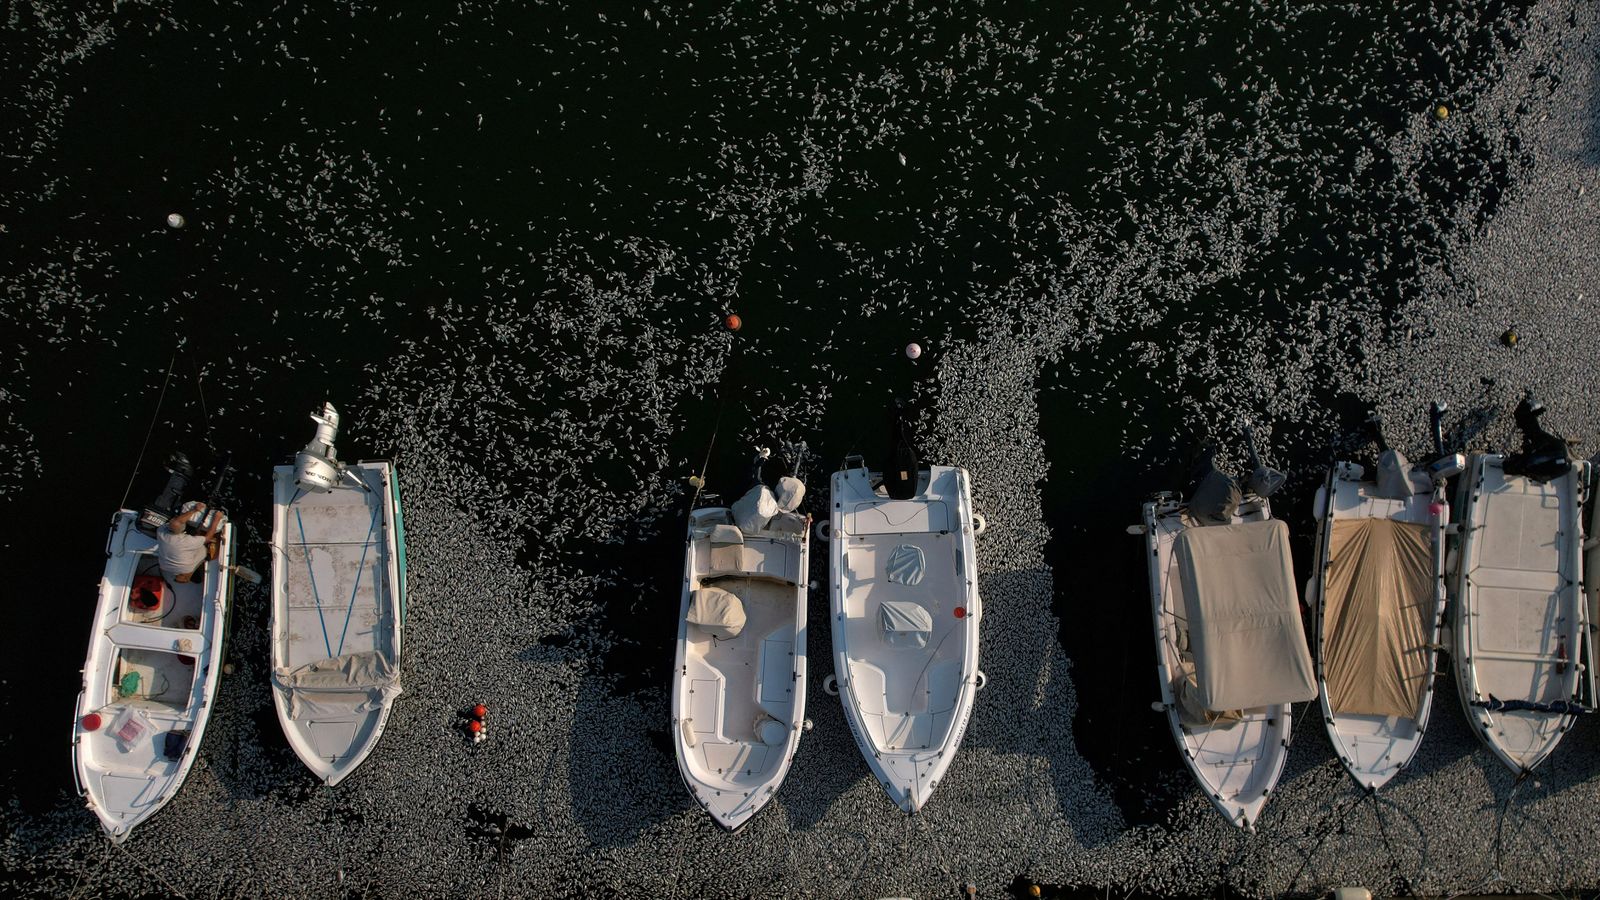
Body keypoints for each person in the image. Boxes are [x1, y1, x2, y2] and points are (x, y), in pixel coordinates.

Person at [157, 502, 222, 583]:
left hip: (168, 564)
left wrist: (194, 510)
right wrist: (217, 519)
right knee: (203, 551)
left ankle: (180, 576)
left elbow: (177, 523)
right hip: (174, 566)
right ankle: (186, 577)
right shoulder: (187, 542)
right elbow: (208, 538)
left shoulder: (161, 531)